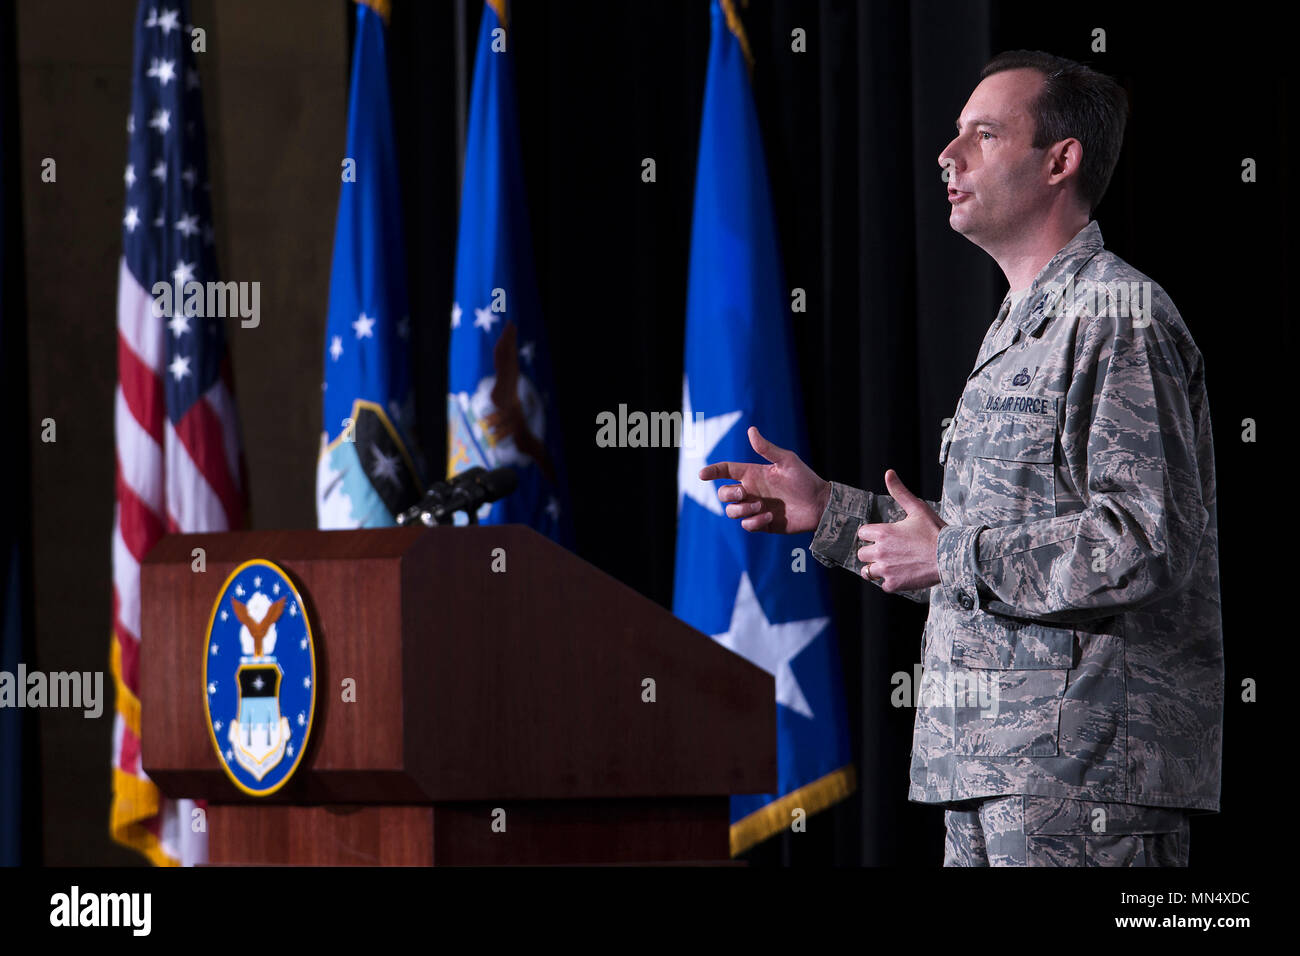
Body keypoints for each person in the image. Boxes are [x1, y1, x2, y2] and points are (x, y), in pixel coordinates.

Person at [700, 50, 1222, 867]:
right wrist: (833, 514)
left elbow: (1144, 543)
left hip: (1082, 784)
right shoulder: (1014, 329)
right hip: (982, 774)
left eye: (983, 134)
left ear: (1061, 161)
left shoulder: (1118, 317)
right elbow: (981, 560)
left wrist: (949, 552)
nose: (948, 156)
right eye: (952, 135)